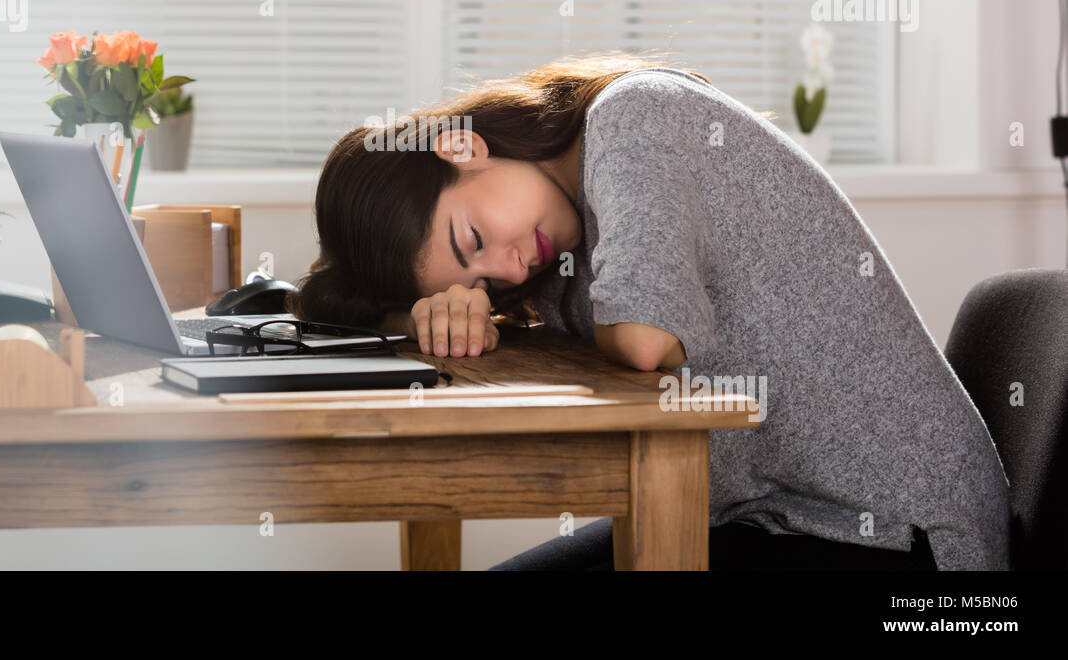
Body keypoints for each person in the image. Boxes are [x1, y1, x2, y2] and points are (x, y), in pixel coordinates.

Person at [290, 51, 1010, 570]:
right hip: (767, 515)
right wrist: (425, 317)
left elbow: (645, 343)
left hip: (900, 539)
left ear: (462, 147)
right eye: (477, 281)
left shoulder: (632, 119)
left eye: (473, 239)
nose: (507, 267)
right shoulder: (555, 249)